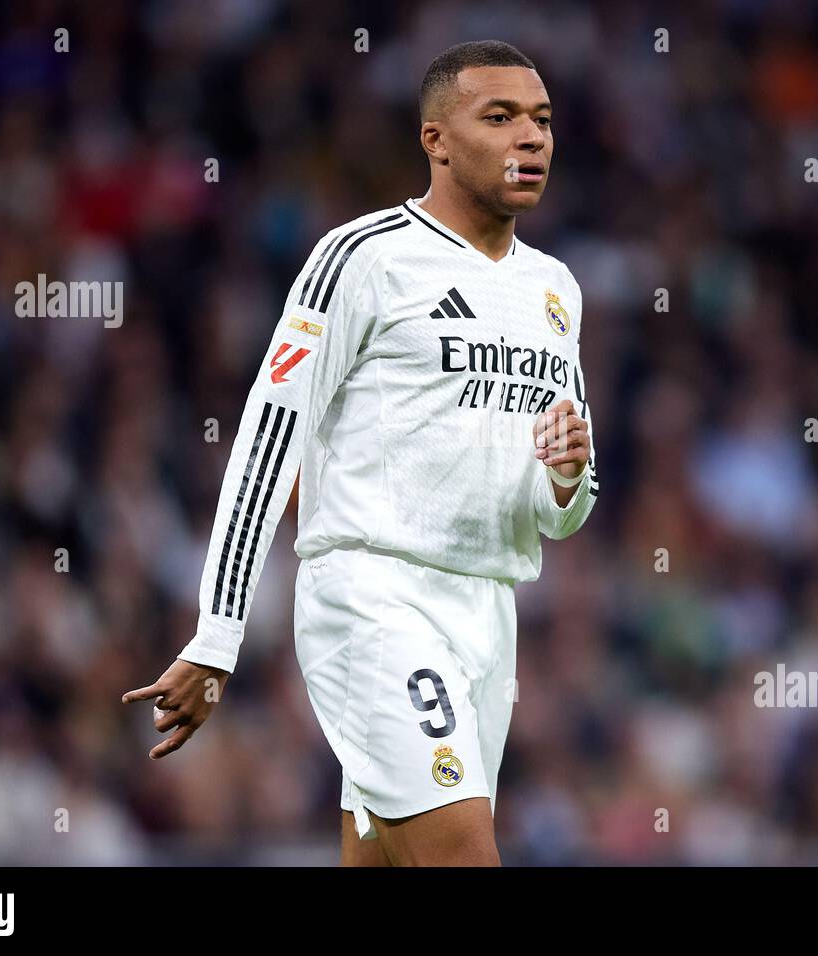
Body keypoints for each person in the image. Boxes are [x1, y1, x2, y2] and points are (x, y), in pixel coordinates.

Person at [122, 39, 597, 866]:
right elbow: (272, 438)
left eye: (543, 120)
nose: (533, 138)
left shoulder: (555, 290)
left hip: (490, 613)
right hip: (375, 597)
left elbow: (561, 511)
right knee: (463, 855)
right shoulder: (363, 258)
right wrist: (217, 634)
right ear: (436, 139)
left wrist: (566, 476)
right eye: (502, 117)